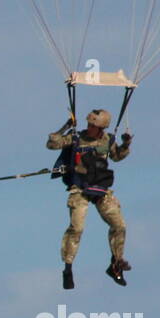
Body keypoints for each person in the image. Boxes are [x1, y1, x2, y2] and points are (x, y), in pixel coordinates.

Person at [47, 109, 133, 289]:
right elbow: (52, 144)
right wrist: (65, 127)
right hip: (79, 188)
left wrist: (125, 145)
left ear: (101, 128)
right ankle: (68, 269)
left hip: (100, 188)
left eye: (93, 126)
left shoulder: (107, 140)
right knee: (77, 228)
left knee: (119, 225)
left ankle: (116, 265)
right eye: (88, 124)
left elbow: (117, 157)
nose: (89, 128)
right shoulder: (76, 138)